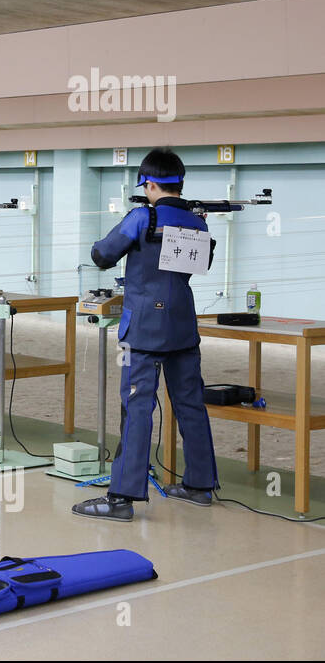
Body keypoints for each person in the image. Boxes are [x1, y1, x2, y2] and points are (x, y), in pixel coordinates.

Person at [73, 148, 219, 522]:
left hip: (142, 330)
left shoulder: (141, 217)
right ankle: (200, 485)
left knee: (137, 405)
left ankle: (121, 497)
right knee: (190, 402)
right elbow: (201, 265)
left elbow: (102, 255)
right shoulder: (197, 222)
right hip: (183, 325)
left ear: (149, 184)